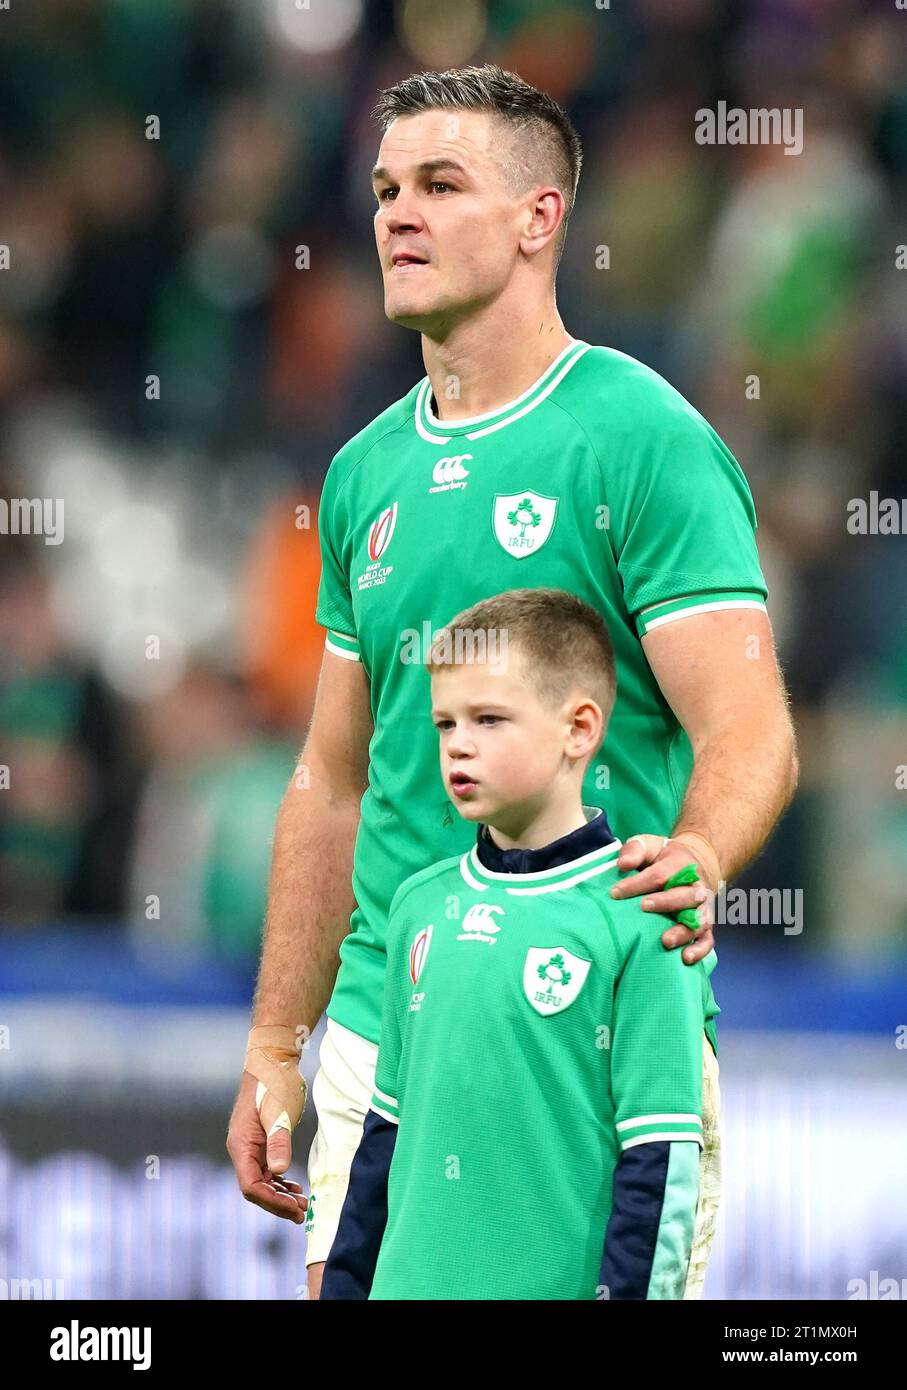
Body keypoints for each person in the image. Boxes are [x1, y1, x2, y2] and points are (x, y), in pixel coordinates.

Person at [226, 64, 798, 1300]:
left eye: (440, 184)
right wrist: (279, 1038)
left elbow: (748, 724)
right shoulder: (362, 475)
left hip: (578, 1027)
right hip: (385, 1032)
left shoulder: (642, 438)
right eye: (385, 190)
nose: (396, 216)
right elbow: (332, 782)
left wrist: (696, 856)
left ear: (541, 218)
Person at [321, 588, 719, 1300]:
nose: (458, 745)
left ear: (579, 729)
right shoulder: (418, 909)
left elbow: (658, 1163)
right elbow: (383, 1143)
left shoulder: (642, 912)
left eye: (488, 719)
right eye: (445, 723)